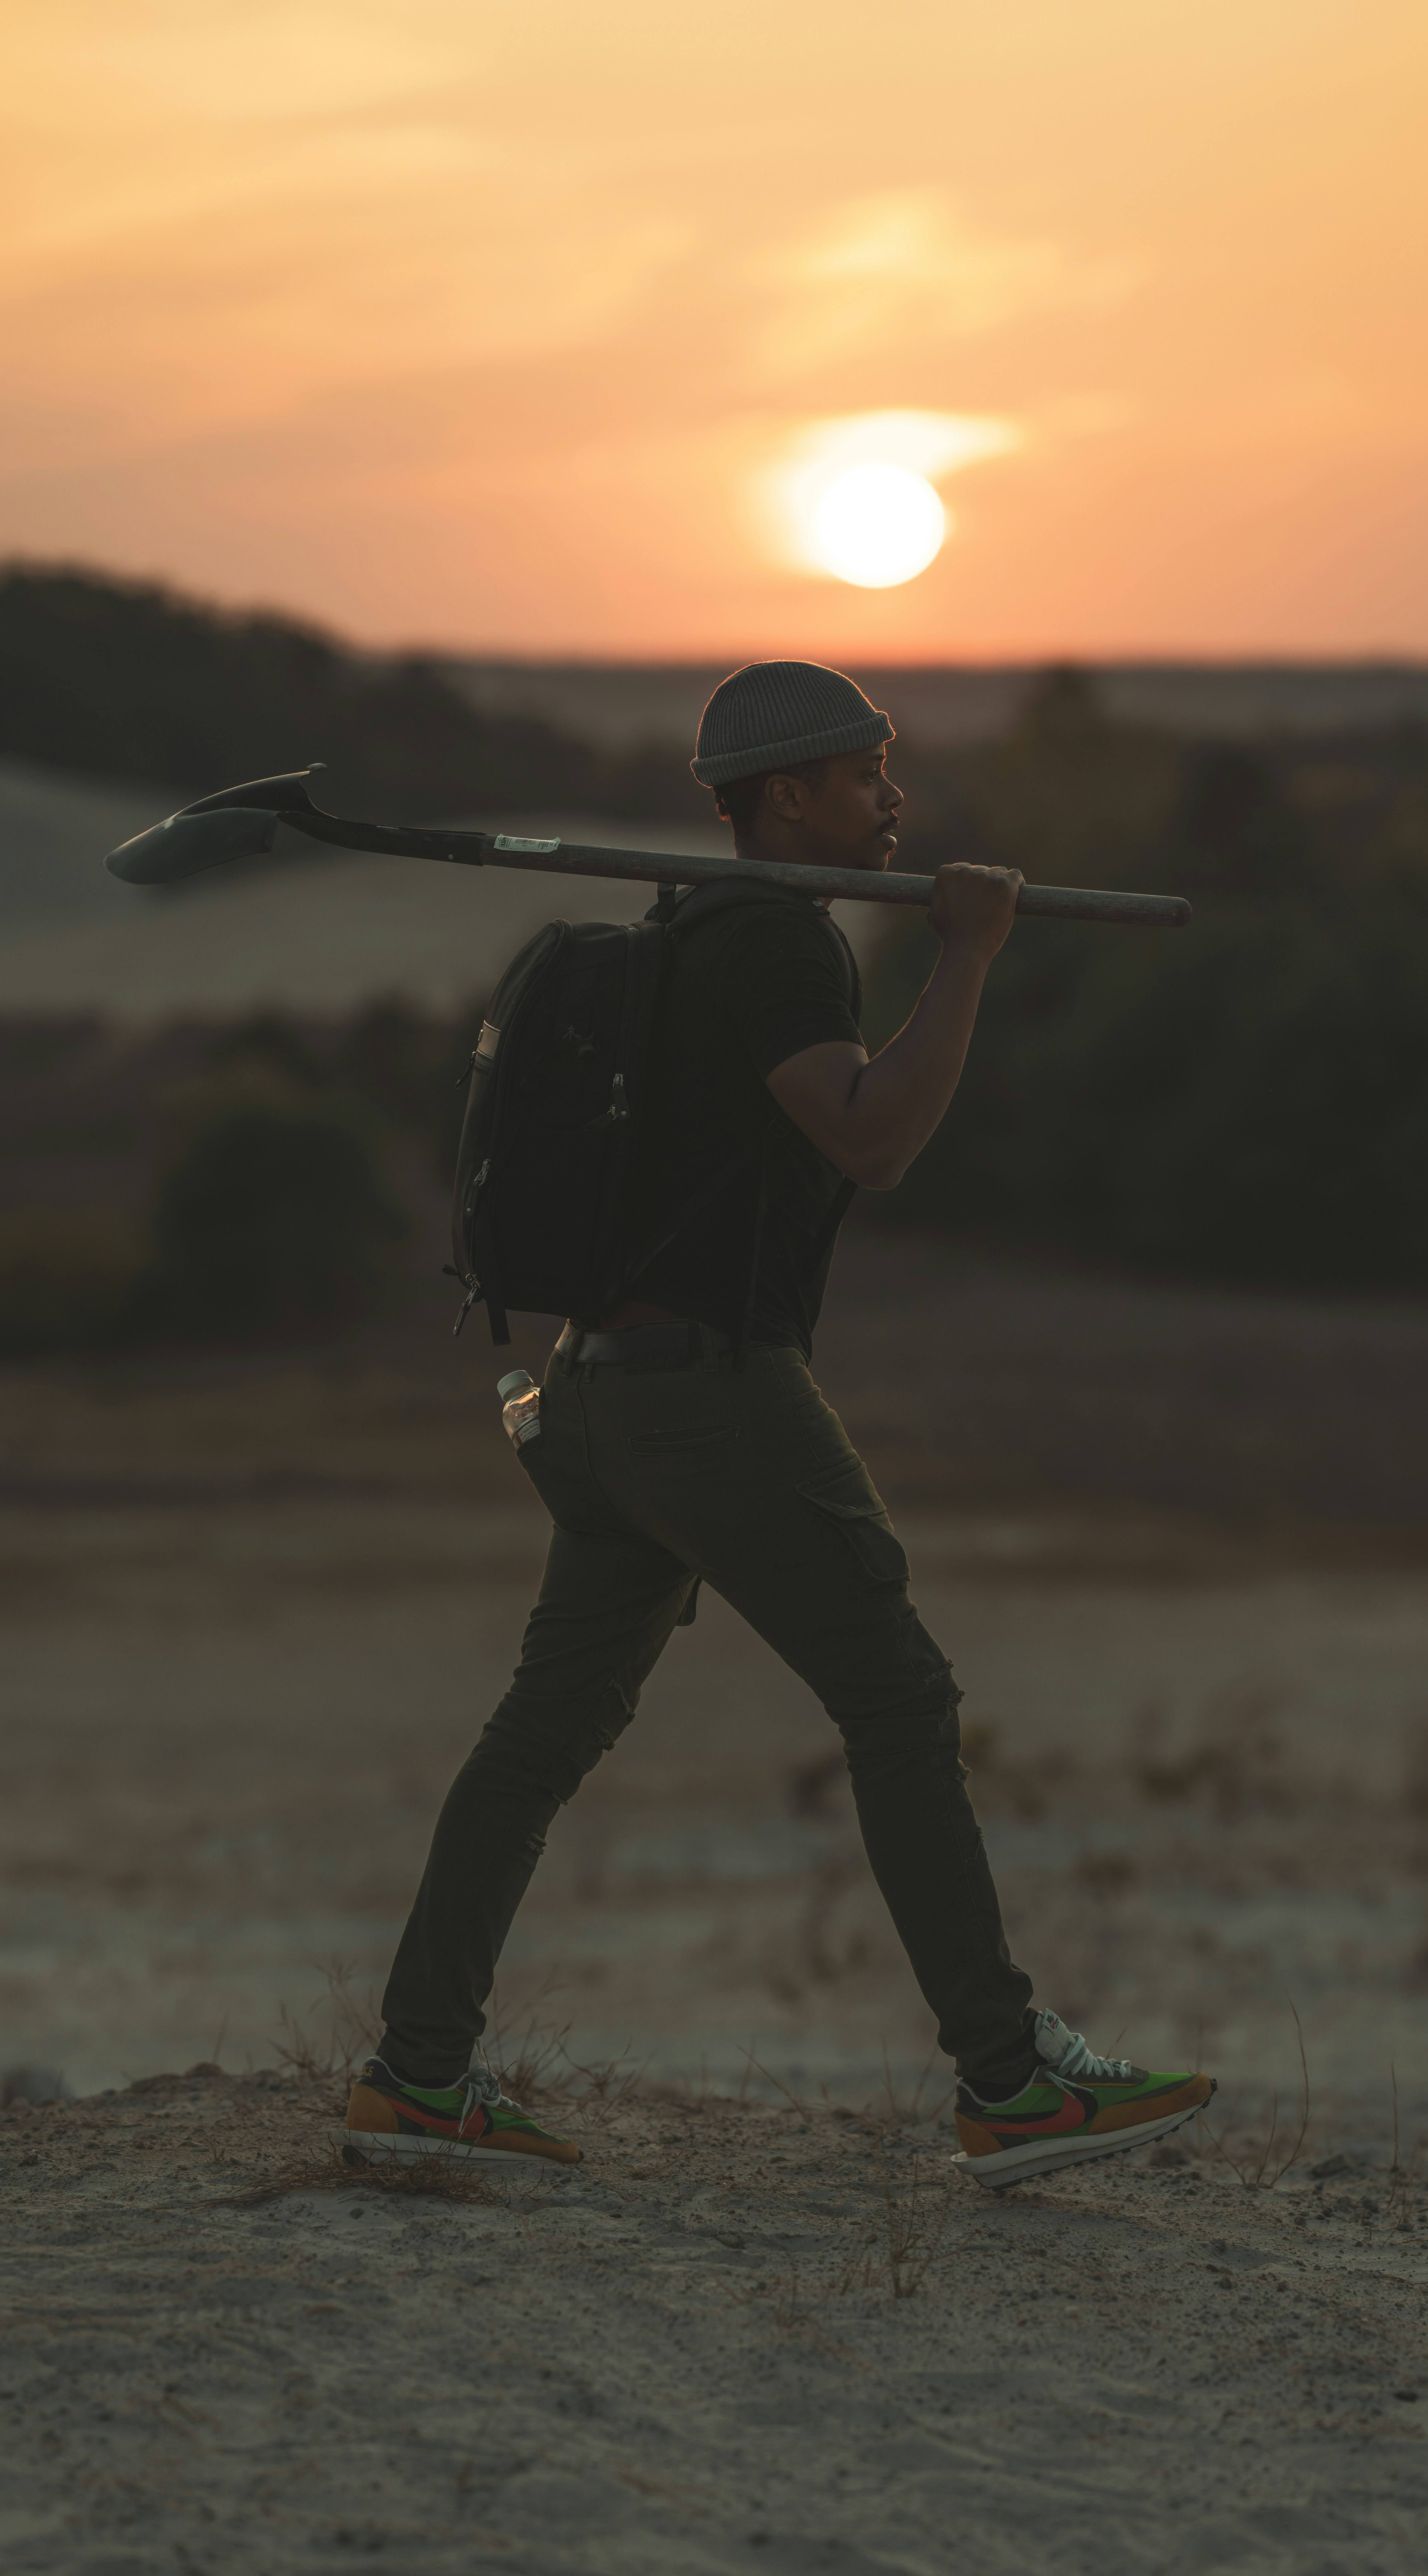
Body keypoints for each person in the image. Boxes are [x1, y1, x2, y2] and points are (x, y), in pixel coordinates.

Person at [344, 660, 1213, 2188]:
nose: (891, 798)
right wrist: (968, 955)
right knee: (896, 1697)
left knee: (542, 1728)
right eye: (867, 773)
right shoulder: (771, 943)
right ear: (790, 795)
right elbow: (872, 1140)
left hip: (601, 1400)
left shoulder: (703, 929)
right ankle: (1007, 2081)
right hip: (705, 1396)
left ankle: (418, 2071)